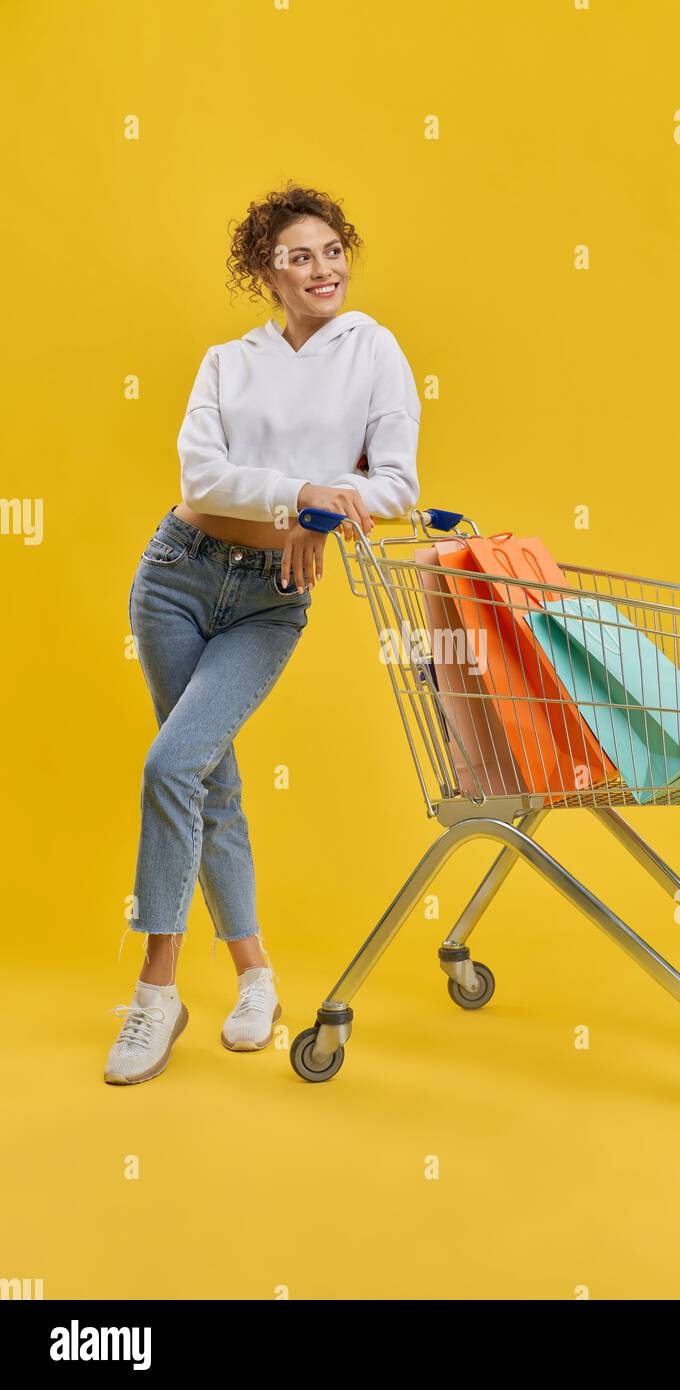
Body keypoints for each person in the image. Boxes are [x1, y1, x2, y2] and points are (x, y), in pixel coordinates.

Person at [105, 181, 421, 1084]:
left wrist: (309, 518)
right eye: (298, 257)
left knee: (173, 766)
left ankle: (154, 993)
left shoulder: (375, 353)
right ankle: (255, 979)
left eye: (331, 250)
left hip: (269, 599)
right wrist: (304, 498)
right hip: (173, 576)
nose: (321, 269)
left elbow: (394, 485)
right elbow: (201, 482)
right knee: (210, 781)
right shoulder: (225, 362)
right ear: (264, 274)